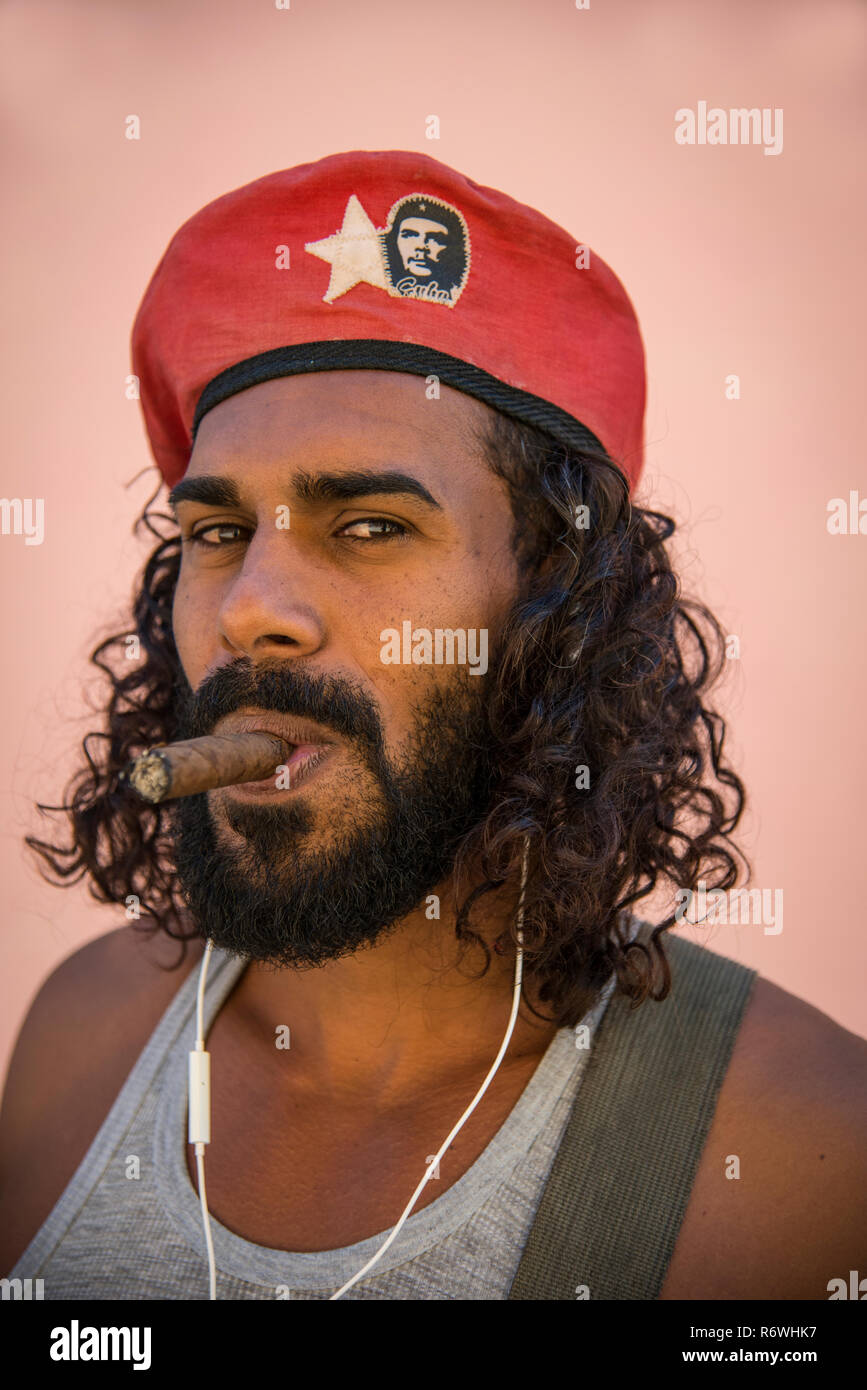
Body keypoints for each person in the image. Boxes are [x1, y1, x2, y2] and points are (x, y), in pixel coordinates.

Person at [1, 150, 864, 1301]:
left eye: (366, 526)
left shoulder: (806, 1155)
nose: (251, 607)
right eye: (217, 533)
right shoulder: (79, 1033)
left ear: (561, 605)